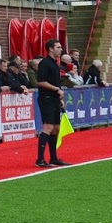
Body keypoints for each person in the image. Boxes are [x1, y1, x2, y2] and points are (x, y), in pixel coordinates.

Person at [34, 38, 70, 168]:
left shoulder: (55, 64)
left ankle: (54, 158)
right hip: (46, 99)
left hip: (54, 99)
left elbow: (56, 82)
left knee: (56, 129)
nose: (60, 49)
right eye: (58, 47)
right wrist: (56, 90)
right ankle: (40, 159)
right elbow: (41, 82)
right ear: (51, 48)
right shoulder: (45, 63)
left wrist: (59, 98)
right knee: (48, 127)